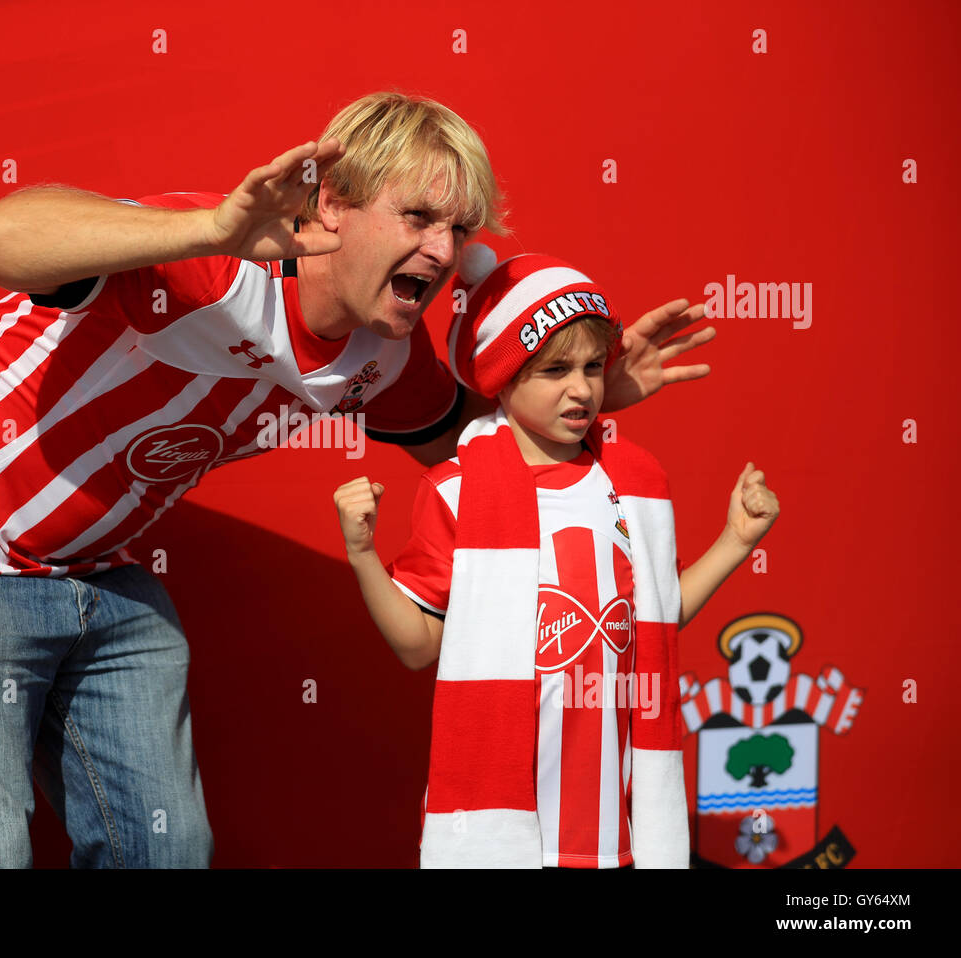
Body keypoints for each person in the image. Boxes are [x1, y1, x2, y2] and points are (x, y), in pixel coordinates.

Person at [0, 90, 714, 868]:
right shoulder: (211, 258)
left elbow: (487, 453)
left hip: (96, 569)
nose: (442, 252)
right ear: (333, 204)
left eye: (458, 231)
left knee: (168, 849)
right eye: (418, 218)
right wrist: (209, 226)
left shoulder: (386, 354)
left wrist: (588, 387)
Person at [332, 247, 779, 868]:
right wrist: (362, 554)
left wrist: (735, 541)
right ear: (501, 376)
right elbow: (417, 644)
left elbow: (656, 623)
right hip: (505, 819)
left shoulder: (634, 482)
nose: (581, 389)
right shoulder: (457, 490)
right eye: (553, 370)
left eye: (594, 366)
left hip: (611, 823)